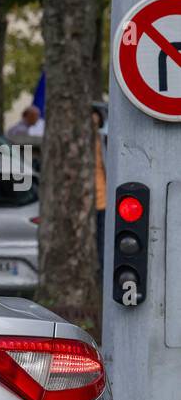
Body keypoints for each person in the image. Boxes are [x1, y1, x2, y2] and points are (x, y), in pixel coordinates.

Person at [93, 108, 107, 277]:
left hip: (103, 199)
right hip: (87, 202)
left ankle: (101, 276)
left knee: (102, 243)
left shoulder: (103, 140)